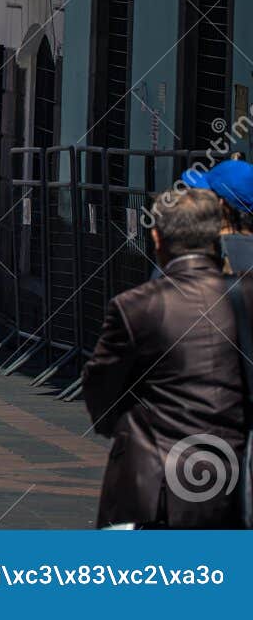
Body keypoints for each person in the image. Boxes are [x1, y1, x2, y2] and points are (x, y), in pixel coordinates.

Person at [84, 188, 250, 528]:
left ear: (157, 237)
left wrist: (117, 426)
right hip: (233, 474)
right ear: (215, 235)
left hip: (155, 479)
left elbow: (101, 387)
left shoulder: (136, 306)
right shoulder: (245, 297)